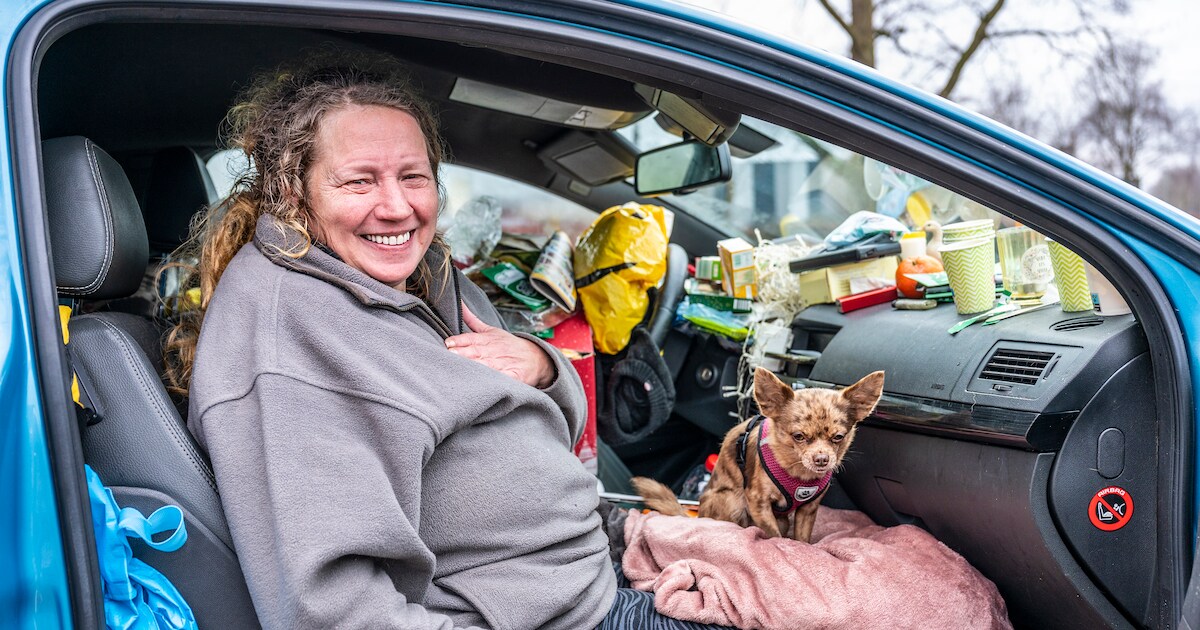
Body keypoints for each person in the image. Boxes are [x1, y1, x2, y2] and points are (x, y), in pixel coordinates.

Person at [165, 52, 728, 629]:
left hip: (584, 573)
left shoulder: (418, 275)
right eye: (359, 180)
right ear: (291, 191)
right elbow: (331, 609)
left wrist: (541, 364)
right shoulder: (289, 339)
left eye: (413, 177)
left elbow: (532, 407)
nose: (396, 207)